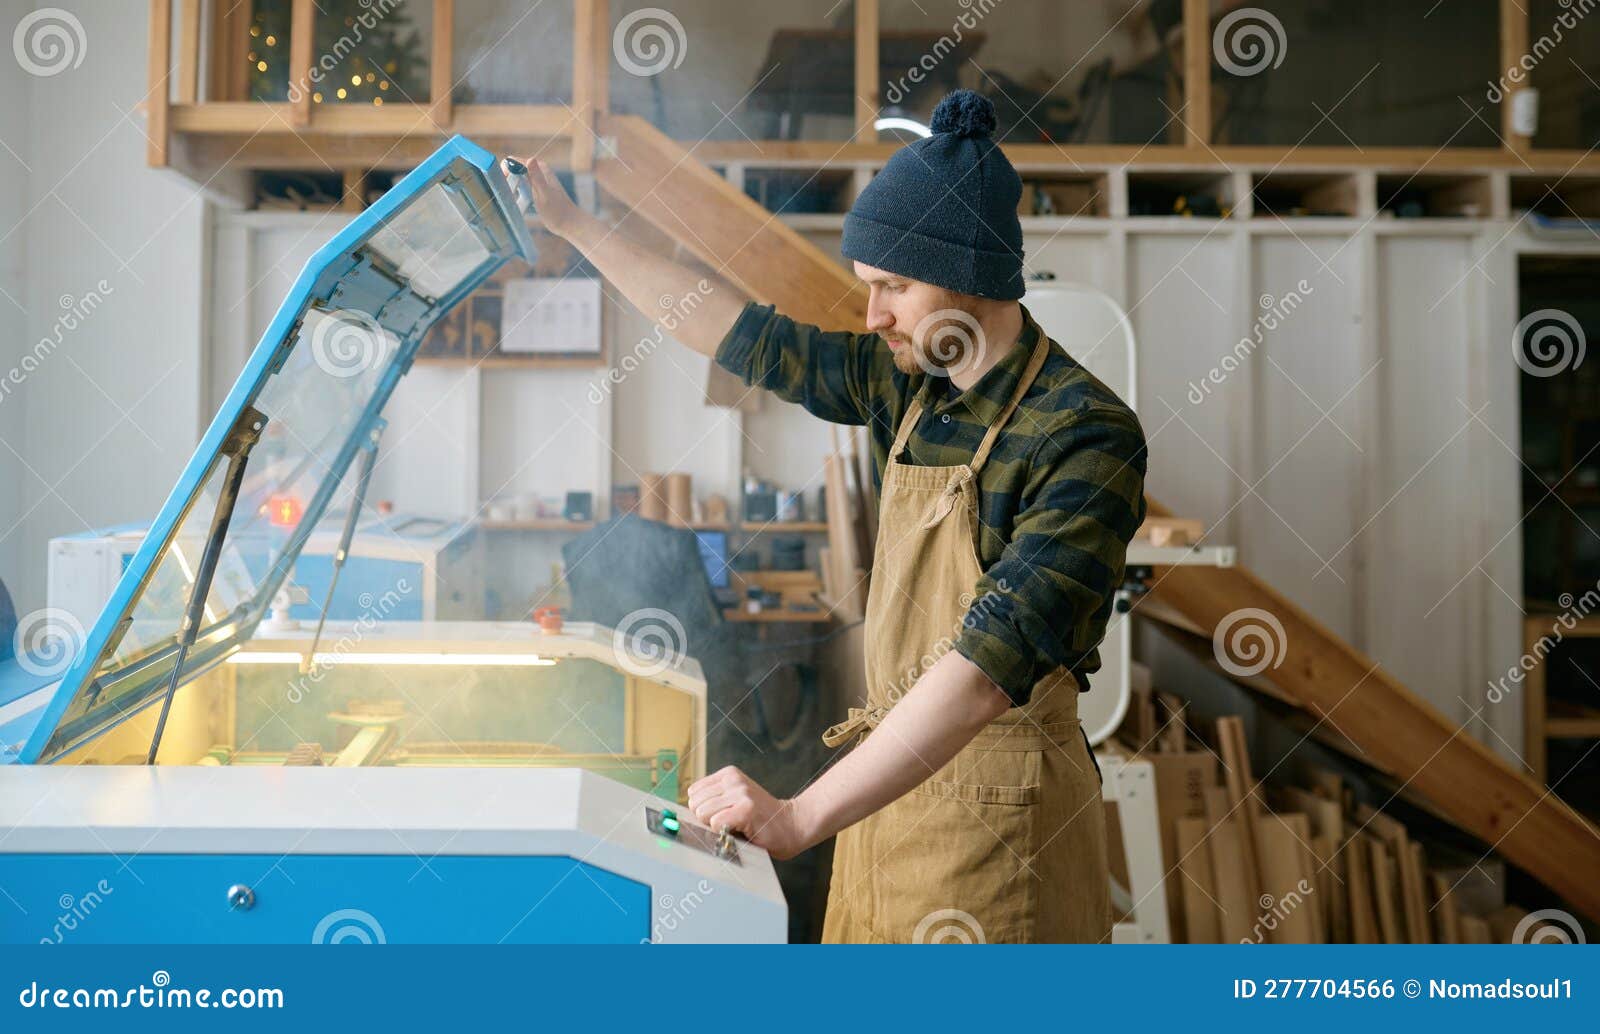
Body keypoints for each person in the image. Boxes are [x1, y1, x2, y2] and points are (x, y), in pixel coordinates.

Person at [519, 90, 1147, 943]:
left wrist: (797, 818)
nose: (873, 316)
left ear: (972, 277)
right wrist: (577, 229)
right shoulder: (910, 383)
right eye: (866, 287)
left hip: (1005, 826)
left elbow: (980, 675)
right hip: (886, 798)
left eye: (894, 286)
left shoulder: (1086, 437)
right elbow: (732, 330)